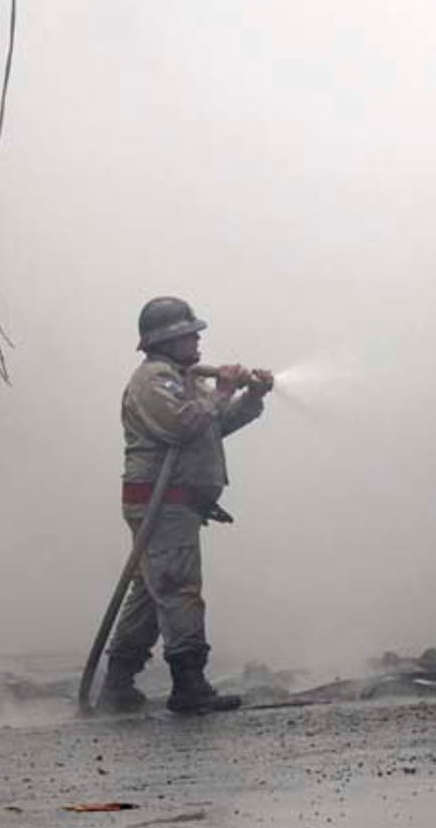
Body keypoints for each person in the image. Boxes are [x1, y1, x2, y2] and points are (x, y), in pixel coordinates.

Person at [98, 296, 273, 715]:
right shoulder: (153, 381)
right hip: (162, 505)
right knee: (178, 589)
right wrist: (223, 390)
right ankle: (189, 686)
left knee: (150, 594)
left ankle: (117, 686)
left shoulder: (182, 378)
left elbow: (213, 427)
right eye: (190, 333)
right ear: (168, 340)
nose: (197, 339)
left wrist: (250, 398)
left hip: (177, 505)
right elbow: (181, 426)